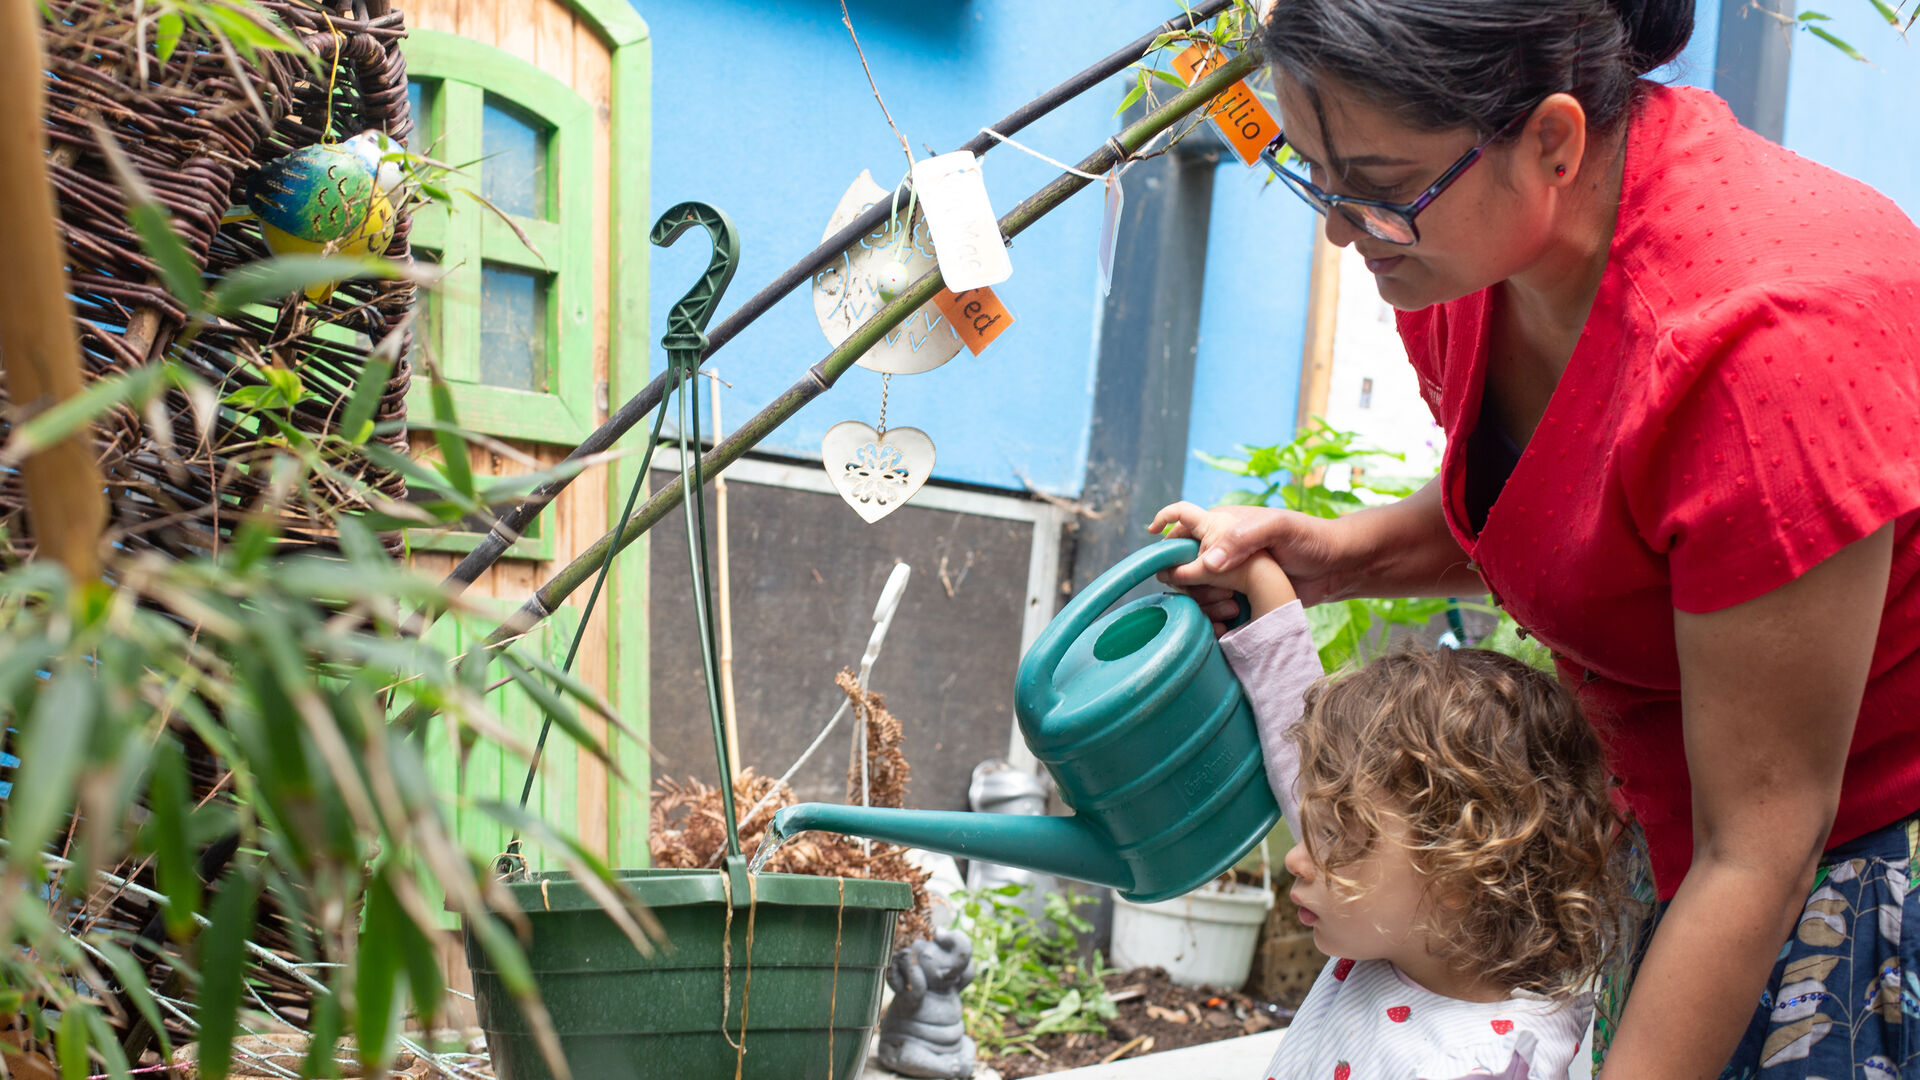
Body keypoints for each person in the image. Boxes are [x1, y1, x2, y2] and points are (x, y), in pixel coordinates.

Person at [1157, 0, 1920, 1075]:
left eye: (1376, 187)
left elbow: (1763, 845)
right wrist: (1347, 553)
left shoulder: (1758, 348)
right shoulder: (1456, 259)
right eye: (1312, 172)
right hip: (1684, 834)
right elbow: (1590, 490)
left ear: (1554, 141)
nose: (1339, 228)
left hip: (1846, 863)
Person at [1163, 520, 1626, 1079]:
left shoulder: (1478, 1065)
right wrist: (1260, 581)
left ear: (1463, 866)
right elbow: (1304, 750)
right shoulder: (1404, 924)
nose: (1298, 856)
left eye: (1337, 839)